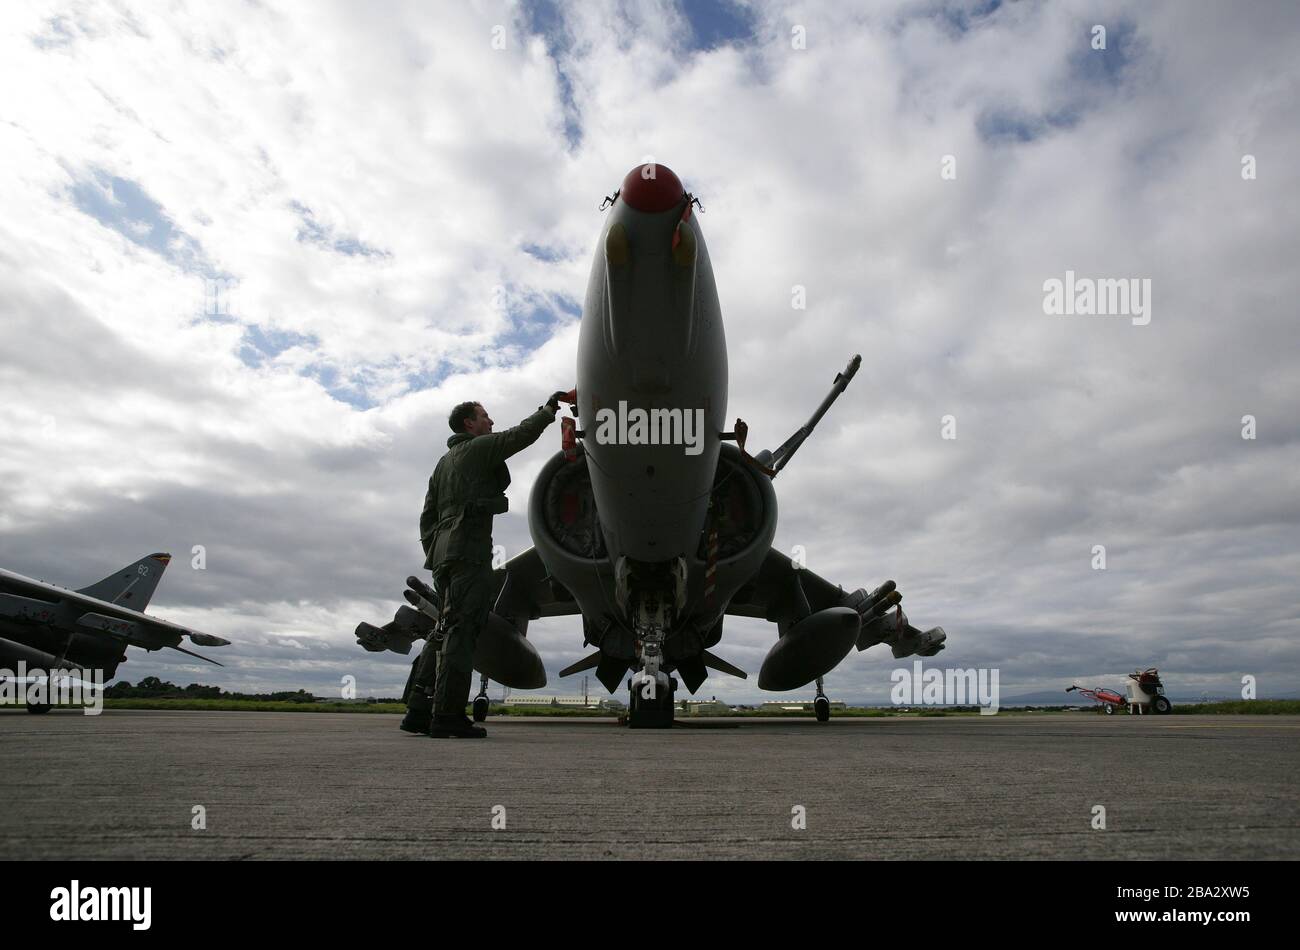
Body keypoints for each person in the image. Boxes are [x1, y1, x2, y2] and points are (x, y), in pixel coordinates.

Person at [400, 393, 565, 738]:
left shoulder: (443, 464)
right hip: (468, 555)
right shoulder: (477, 449)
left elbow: (427, 516)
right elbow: (518, 436)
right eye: (485, 416)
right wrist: (549, 409)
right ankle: (447, 715)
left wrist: (437, 550)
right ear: (468, 424)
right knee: (464, 631)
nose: (490, 422)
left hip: (444, 556)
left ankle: (418, 708)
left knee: (443, 627)